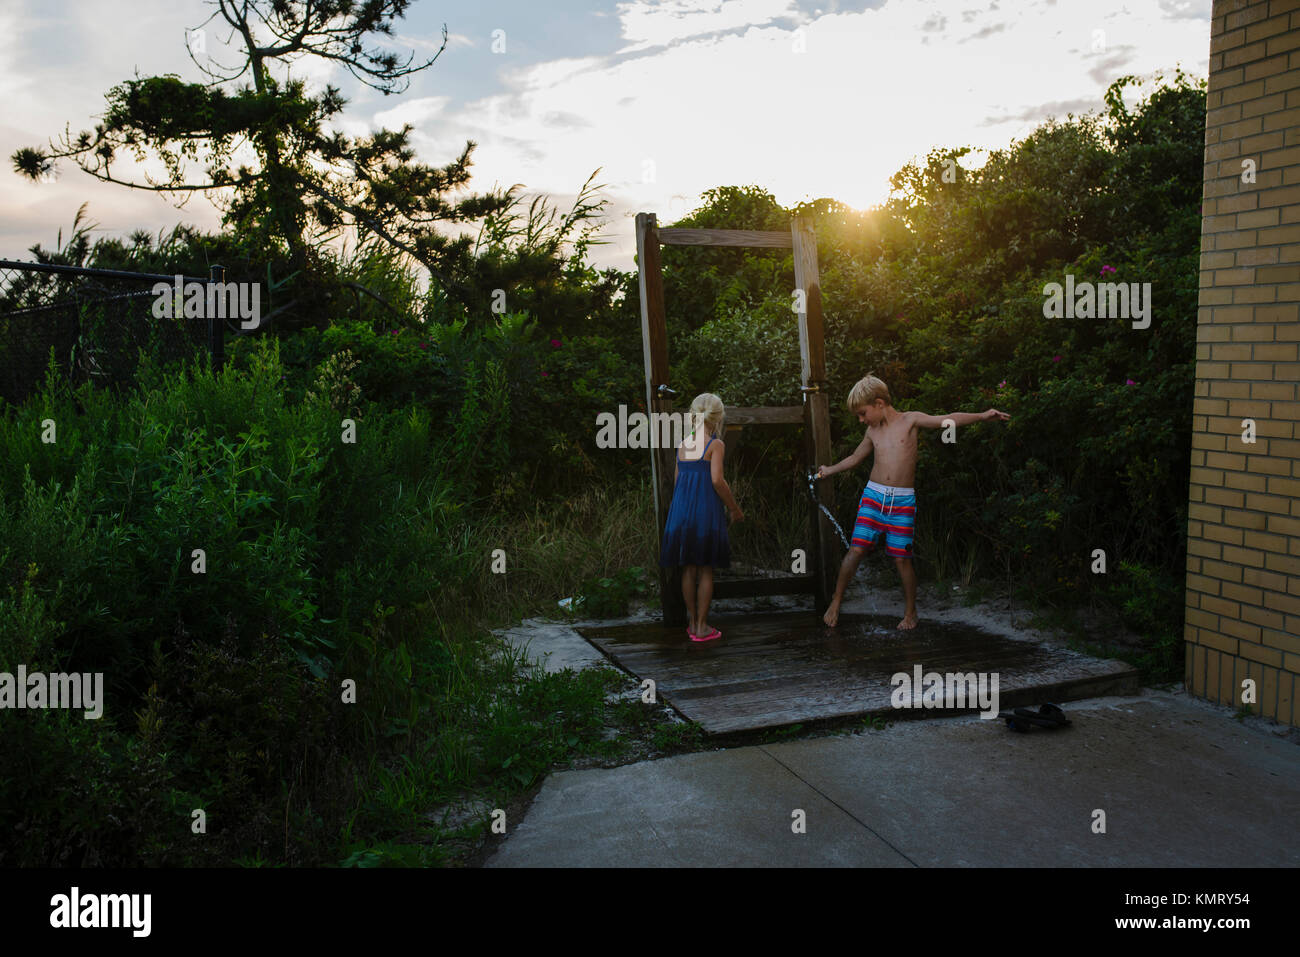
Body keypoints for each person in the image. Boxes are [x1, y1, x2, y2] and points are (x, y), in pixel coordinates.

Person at [817, 374, 1009, 630]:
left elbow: (947, 419)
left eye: (863, 413)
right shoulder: (871, 431)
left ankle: (911, 613)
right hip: (873, 497)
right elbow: (855, 458)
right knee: (856, 549)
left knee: (901, 559)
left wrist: (982, 415)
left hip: (902, 503)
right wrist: (829, 470)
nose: (861, 419)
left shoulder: (910, 421)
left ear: (879, 402)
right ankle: (836, 601)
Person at [659, 393, 744, 642]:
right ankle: (703, 627)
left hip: (682, 511)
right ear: (718, 417)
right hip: (705, 511)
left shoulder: (683, 443)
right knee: (706, 569)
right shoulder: (715, 444)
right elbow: (717, 480)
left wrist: (681, 508)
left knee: (688, 568)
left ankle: (692, 621)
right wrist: (734, 508)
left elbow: (677, 481)